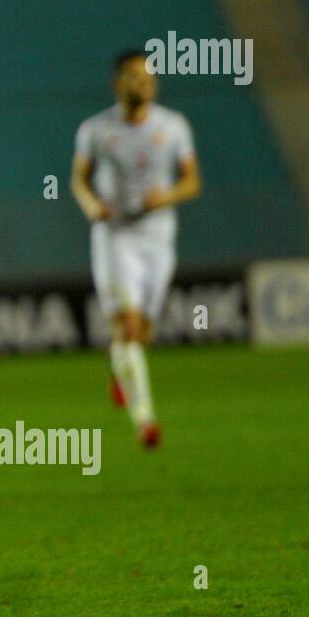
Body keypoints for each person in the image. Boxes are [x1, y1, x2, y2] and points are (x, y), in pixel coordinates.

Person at [70, 50, 201, 447]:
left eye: (147, 78)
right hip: (115, 235)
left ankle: (120, 368)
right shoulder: (95, 130)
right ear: (116, 84)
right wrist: (92, 204)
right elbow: (78, 179)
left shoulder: (174, 126)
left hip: (158, 237)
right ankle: (145, 420)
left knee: (141, 332)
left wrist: (170, 195)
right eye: (132, 77)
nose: (141, 84)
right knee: (126, 327)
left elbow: (191, 181)